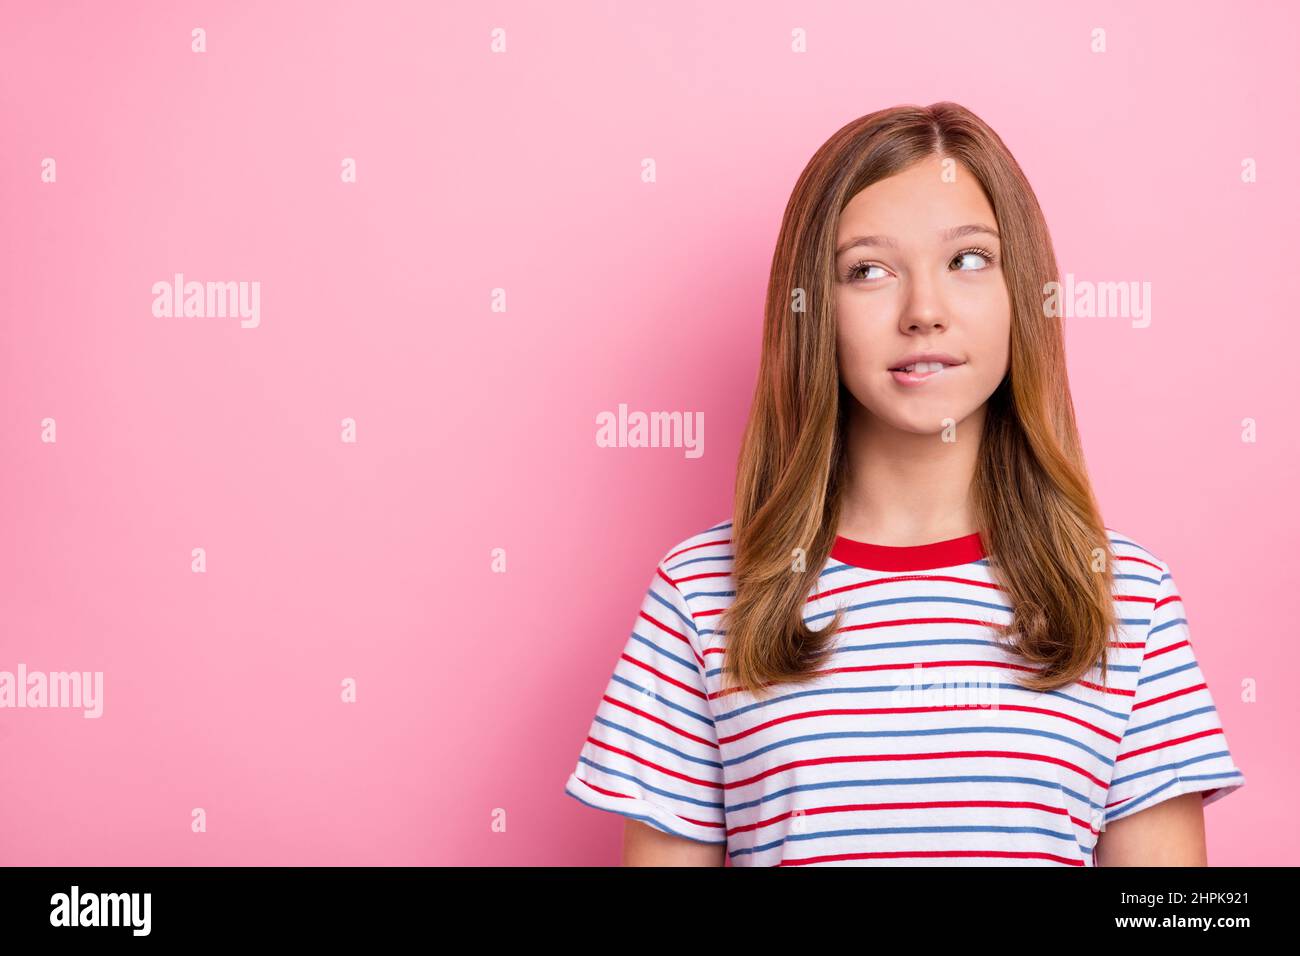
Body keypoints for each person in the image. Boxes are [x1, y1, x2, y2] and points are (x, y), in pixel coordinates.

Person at [563, 102, 1245, 867]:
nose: (924, 312)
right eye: (869, 271)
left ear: (1023, 293)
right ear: (813, 312)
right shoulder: (701, 592)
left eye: (967, 261)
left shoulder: (1126, 597)